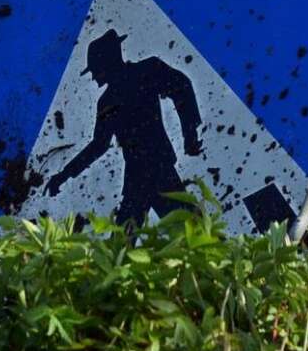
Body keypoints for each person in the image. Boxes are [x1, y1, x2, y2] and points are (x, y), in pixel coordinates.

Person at [45, 28, 205, 225]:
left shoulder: (143, 74)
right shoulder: (111, 98)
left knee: (190, 228)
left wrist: (189, 134)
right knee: (184, 227)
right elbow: (98, 145)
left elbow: (181, 87)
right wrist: (64, 175)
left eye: (95, 69)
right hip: (141, 174)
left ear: (107, 64)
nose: (94, 77)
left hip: (155, 171)